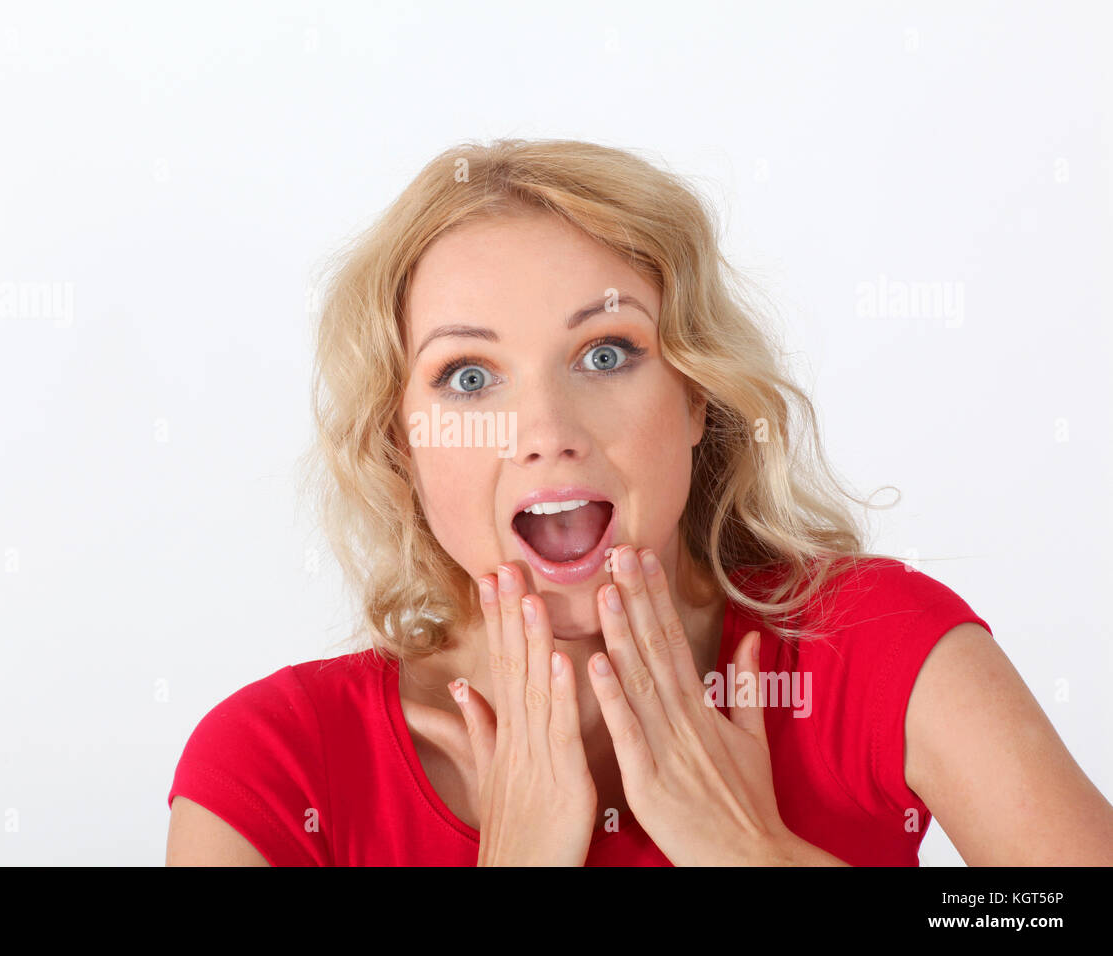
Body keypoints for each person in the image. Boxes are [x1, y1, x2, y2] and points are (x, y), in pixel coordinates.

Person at [166, 138, 1113, 866]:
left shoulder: (879, 645)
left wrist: (760, 856)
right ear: (400, 441)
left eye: (606, 353)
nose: (546, 428)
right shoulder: (270, 765)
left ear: (697, 397)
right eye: (466, 377)